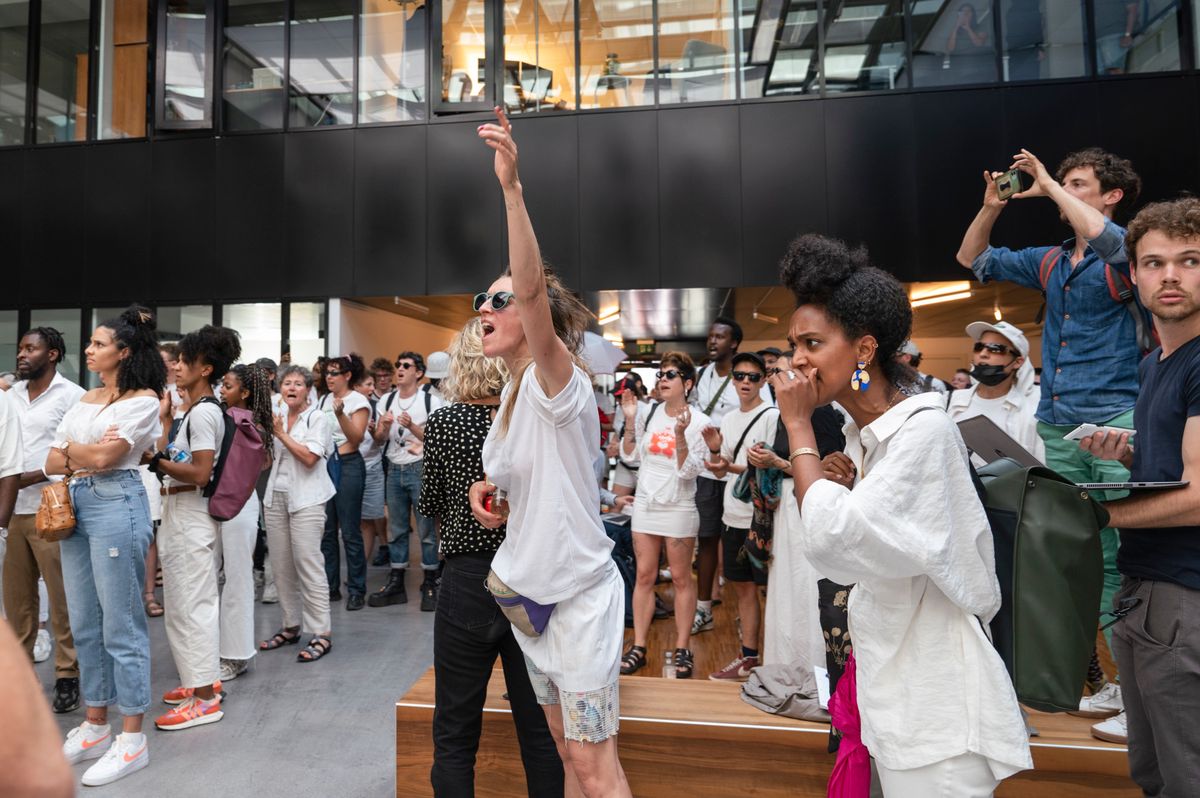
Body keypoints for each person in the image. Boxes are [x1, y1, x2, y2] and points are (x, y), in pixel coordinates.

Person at [772, 235, 1031, 795]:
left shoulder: (924, 431)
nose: (797, 361)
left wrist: (797, 428)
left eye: (812, 343)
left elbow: (833, 540)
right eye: (793, 345)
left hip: (936, 697)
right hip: (896, 681)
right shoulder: (861, 435)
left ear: (864, 349)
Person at [469, 107, 630, 797]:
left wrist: (512, 190)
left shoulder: (553, 379)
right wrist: (490, 494)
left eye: (499, 300)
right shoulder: (511, 392)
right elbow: (517, 480)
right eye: (482, 297)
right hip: (532, 603)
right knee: (565, 752)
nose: (485, 306)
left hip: (580, 604)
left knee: (595, 767)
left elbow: (533, 291)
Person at [958, 146, 1144, 704]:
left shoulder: (1131, 250)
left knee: (1126, 554)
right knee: (1076, 554)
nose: (1062, 190)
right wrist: (992, 206)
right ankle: (1110, 682)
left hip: (1118, 418)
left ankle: (1141, 690)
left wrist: (1049, 184)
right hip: (1060, 422)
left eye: (1079, 183)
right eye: (1065, 182)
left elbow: (1113, 244)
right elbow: (972, 257)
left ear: (1112, 195)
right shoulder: (1051, 261)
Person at [1078, 198, 1200, 782]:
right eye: (1154, 263)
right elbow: (1179, 466)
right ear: (1134, 274)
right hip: (1144, 588)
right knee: (1152, 774)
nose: (1170, 275)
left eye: (1189, 260)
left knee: (1185, 775)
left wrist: (1098, 517)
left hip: (1183, 592)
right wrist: (1130, 453)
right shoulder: (1155, 363)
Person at [419, 319, 562, 795]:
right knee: (540, 728)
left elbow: (430, 504)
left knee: (454, 730)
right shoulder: (531, 421)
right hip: (531, 576)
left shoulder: (445, 422)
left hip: (467, 575)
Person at [46, 305, 166, 787]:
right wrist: (83, 452)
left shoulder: (144, 400)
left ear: (125, 351)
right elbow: (52, 460)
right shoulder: (87, 397)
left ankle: (132, 739)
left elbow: (106, 458)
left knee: (122, 624)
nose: (89, 350)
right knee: (84, 621)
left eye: (99, 343)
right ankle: (96, 725)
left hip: (118, 501)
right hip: (75, 502)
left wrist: (75, 450)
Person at [151, 325, 242, 730]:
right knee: (182, 605)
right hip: (180, 511)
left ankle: (205, 698)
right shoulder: (194, 410)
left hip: (190, 513)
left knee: (193, 607)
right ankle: (198, 682)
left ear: (206, 369)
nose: (177, 367)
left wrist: (156, 462)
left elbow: (201, 472)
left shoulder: (204, 413)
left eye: (185, 361)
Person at [5, 327, 84, 714]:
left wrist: (35, 474)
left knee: (62, 597)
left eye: (30, 348)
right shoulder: (9, 395)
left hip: (52, 507)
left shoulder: (72, 396)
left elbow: (77, 453)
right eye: (20, 348)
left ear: (52, 354)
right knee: (17, 602)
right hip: (11, 509)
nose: (22, 354)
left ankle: (68, 673)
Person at [618, 352, 709, 679]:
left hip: (679, 505)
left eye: (671, 375)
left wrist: (681, 435)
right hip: (646, 503)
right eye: (661, 374)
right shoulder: (650, 412)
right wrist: (631, 419)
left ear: (688, 383)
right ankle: (639, 646)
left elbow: (688, 472)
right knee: (644, 575)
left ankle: (683, 647)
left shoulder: (700, 422)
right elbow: (630, 455)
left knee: (682, 578)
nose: (663, 380)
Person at [701, 351, 779, 681]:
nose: (746, 381)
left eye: (753, 377)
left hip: (762, 518)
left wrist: (728, 466)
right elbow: (723, 472)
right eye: (740, 376)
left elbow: (769, 468)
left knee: (771, 590)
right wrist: (715, 450)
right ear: (732, 380)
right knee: (743, 588)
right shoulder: (730, 418)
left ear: (763, 381)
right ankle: (748, 656)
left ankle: (777, 658)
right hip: (733, 514)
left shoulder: (772, 416)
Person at [689, 316, 768, 636]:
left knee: (743, 544)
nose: (712, 341)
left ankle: (747, 614)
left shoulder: (751, 383)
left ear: (733, 343)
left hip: (741, 474)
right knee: (707, 539)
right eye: (710, 336)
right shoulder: (702, 375)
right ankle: (704, 608)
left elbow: (762, 424)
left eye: (720, 337)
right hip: (709, 468)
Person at [260, 365, 336, 663]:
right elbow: (268, 462)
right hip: (275, 496)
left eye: (297, 384)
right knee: (281, 566)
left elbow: (309, 458)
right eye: (286, 383)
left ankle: (321, 632)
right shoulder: (277, 417)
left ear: (308, 390)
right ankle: (290, 626)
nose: (291, 388)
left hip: (308, 499)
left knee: (308, 563)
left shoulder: (318, 418)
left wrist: (280, 433)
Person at [214, 364, 275, 682]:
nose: (221, 390)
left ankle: (236, 655)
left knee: (237, 580)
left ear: (246, 392)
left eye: (228, 386)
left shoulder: (249, 424)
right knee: (214, 579)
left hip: (239, 504)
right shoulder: (224, 417)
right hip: (220, 503)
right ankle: (213, 650)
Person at [371, 352, 444, 610]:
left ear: (419, 373)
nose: (399, 369)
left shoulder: (430, 401)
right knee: (397, 528)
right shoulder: (387, 400)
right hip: (394, 468)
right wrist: (382, 427)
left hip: (419, 468)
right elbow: (379, 440)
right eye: (398, 365)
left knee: (426, 530)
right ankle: (397, 582)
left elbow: (436, 438)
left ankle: (430, 583)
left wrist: (412, 426)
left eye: (406, 366)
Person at [947, 320, 1044, 462]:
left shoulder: (1032, 411)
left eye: (995, 348)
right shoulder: (950, 401)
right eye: (979, 347)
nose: (983, 354)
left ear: (1018, 362)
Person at [318, 353, 370, 610]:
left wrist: (340, 415)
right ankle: (331, 587)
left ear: (347, 376)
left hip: (348, 465)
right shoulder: (322, 400)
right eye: (327, 373)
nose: (329, 378)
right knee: (327, 531)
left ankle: (357, 589)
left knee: (349, 531)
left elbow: (357, 438)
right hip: (324, 465)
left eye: (334, 373)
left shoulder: (358, 401)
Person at [354, 373, 389, 569]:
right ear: (356, 386)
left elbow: (380, 440)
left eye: (372, 384)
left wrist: (375, 431)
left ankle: (361, 568)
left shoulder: (376, 408)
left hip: (371, 467)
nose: (372, 389)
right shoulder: (342, 406)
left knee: (368, 519)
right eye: (368, 384)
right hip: (348, 467)